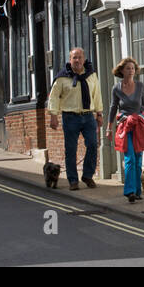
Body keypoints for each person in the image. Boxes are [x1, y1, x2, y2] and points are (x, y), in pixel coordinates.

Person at [47, 47, 103, 191]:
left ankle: (87, 175)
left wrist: (99, 113)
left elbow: (96, 95)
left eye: (79, 57)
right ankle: (73, 180)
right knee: (70, 150)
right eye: (74, 58)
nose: (77, 60)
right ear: (69, 60)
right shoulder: (62, 77)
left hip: (88, 116)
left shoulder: (91, 75)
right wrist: (53, 115)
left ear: (84, 59)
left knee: (92, 144)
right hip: (70, 117)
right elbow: (53, 97)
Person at [107, 57, 144, 202]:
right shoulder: (116, 88)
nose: (131, 71)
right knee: (129, 158)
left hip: (139, 124)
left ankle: (137, 191)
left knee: (138, 159)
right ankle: (129, 191)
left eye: (133, 68)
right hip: (124, 125)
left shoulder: (140, 86)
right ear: (122, 71)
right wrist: (109, 128)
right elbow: (113, 108)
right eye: (128, 68)